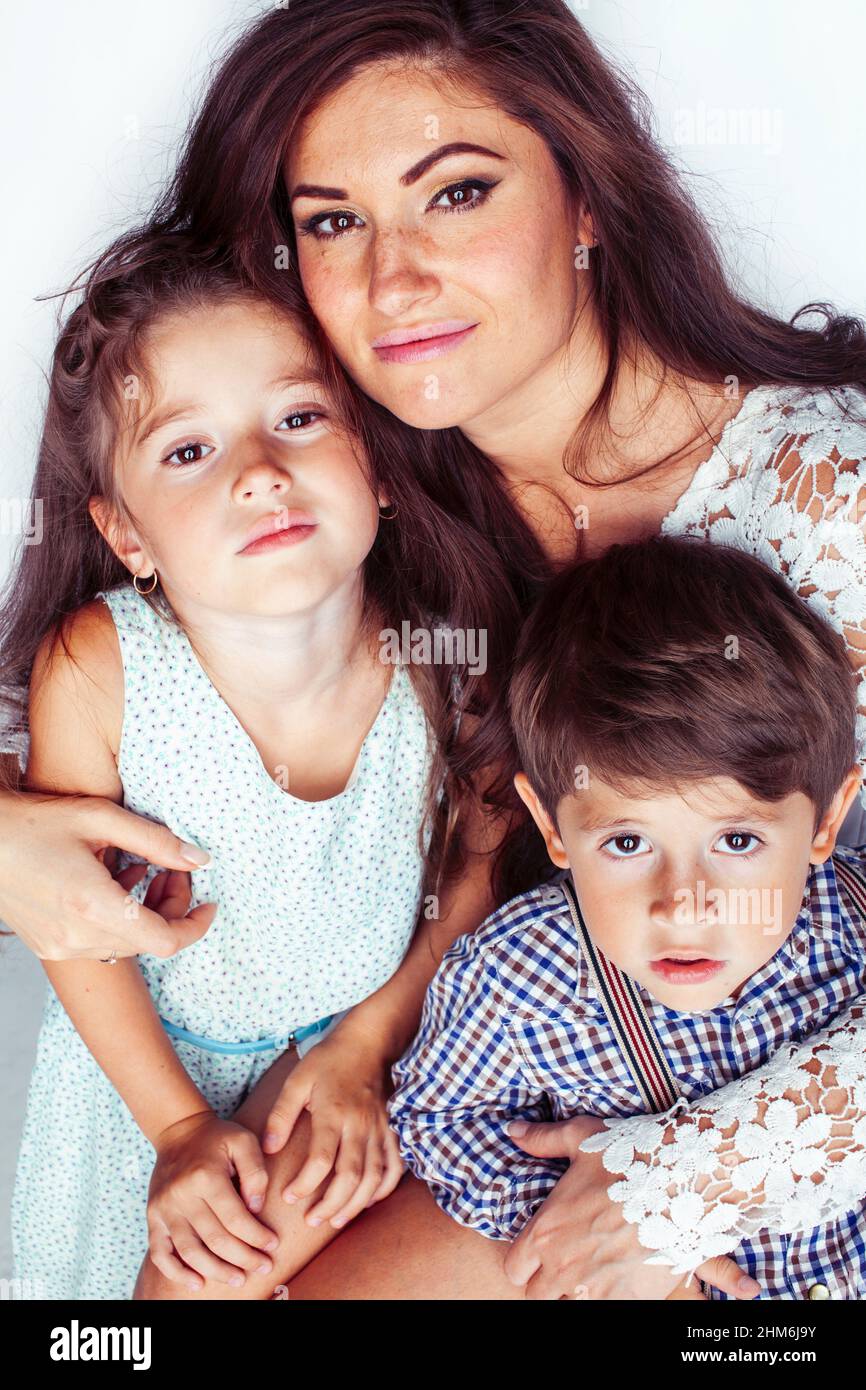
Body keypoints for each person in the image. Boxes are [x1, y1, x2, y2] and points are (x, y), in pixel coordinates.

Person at [3, 0, 866, 1298]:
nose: (390, 280)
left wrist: (694, 1176)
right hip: (490, 1092)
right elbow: (124, 716)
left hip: (788, 1110)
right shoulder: (339, 494)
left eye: (455, 192)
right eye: (332, 220)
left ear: (585, 201)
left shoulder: (832, 497)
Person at [9, 229, 507, 1300]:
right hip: (157, 1083)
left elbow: (477, 875)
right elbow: (71, 923)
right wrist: (179, 1126)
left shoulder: (441, 655)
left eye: (296, 418)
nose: (259, 473)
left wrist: (367, 1044)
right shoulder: (99, 667)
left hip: (363, 1062)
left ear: (373, 465)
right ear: (126, 534)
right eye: (188, 451)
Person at [388, 534, 866, 1300]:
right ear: (552, 828)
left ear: (824, 824)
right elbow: (439, 1119)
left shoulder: (858, 918)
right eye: (629, 841)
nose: (683, 901)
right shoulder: (522, 975)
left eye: (737, 840)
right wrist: (559, 1211)